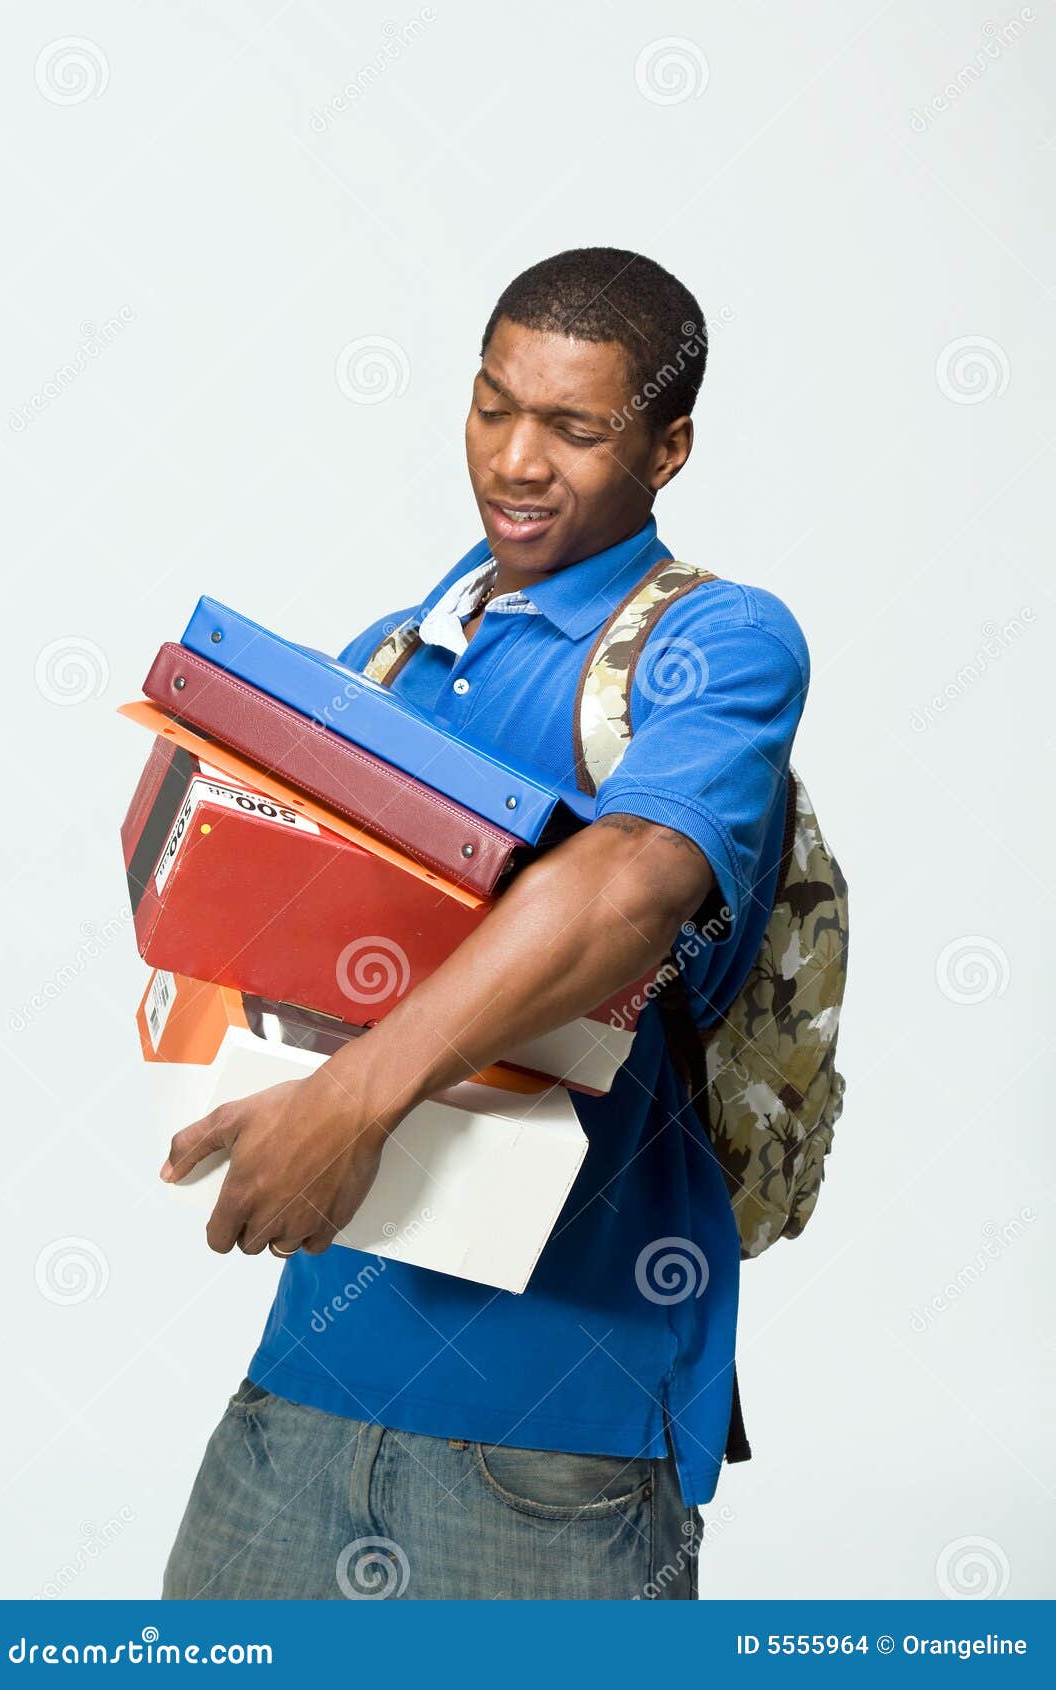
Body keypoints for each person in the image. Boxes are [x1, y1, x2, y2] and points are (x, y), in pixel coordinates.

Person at [160, 247, 810, 1601]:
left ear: (668, 446)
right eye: (492, 405)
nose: (517, 459)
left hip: (558, 1436)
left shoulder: (718, 644)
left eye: (574, 427)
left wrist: (351, 1101)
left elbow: (629, 886)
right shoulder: (392, 654)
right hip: (306, 1383)